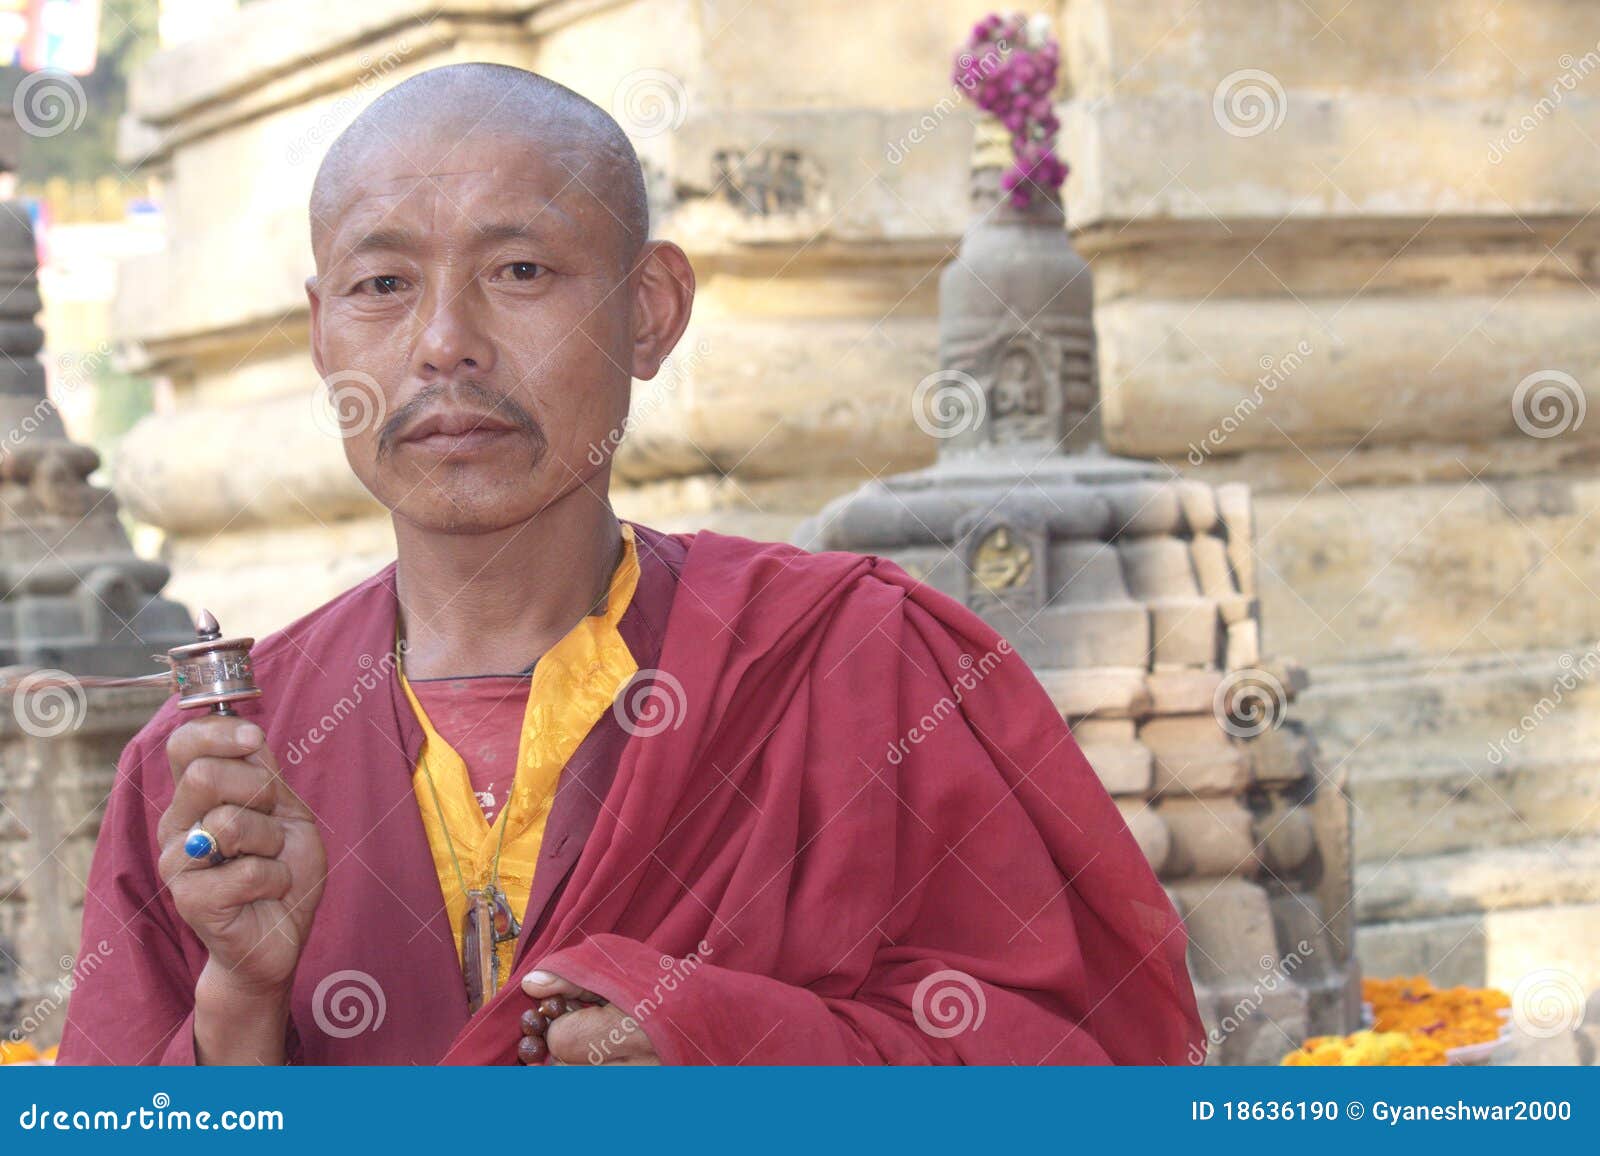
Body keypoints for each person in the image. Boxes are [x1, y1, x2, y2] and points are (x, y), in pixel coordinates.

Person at [56, 63, 1202, 1066]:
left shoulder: (861, 663)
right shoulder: (212, 775)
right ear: (322, 332)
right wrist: (240, 1007)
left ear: (649, 311)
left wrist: (733, 1051)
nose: (444, 339)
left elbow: (1088, 1066)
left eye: (520, 270)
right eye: (383, 285)